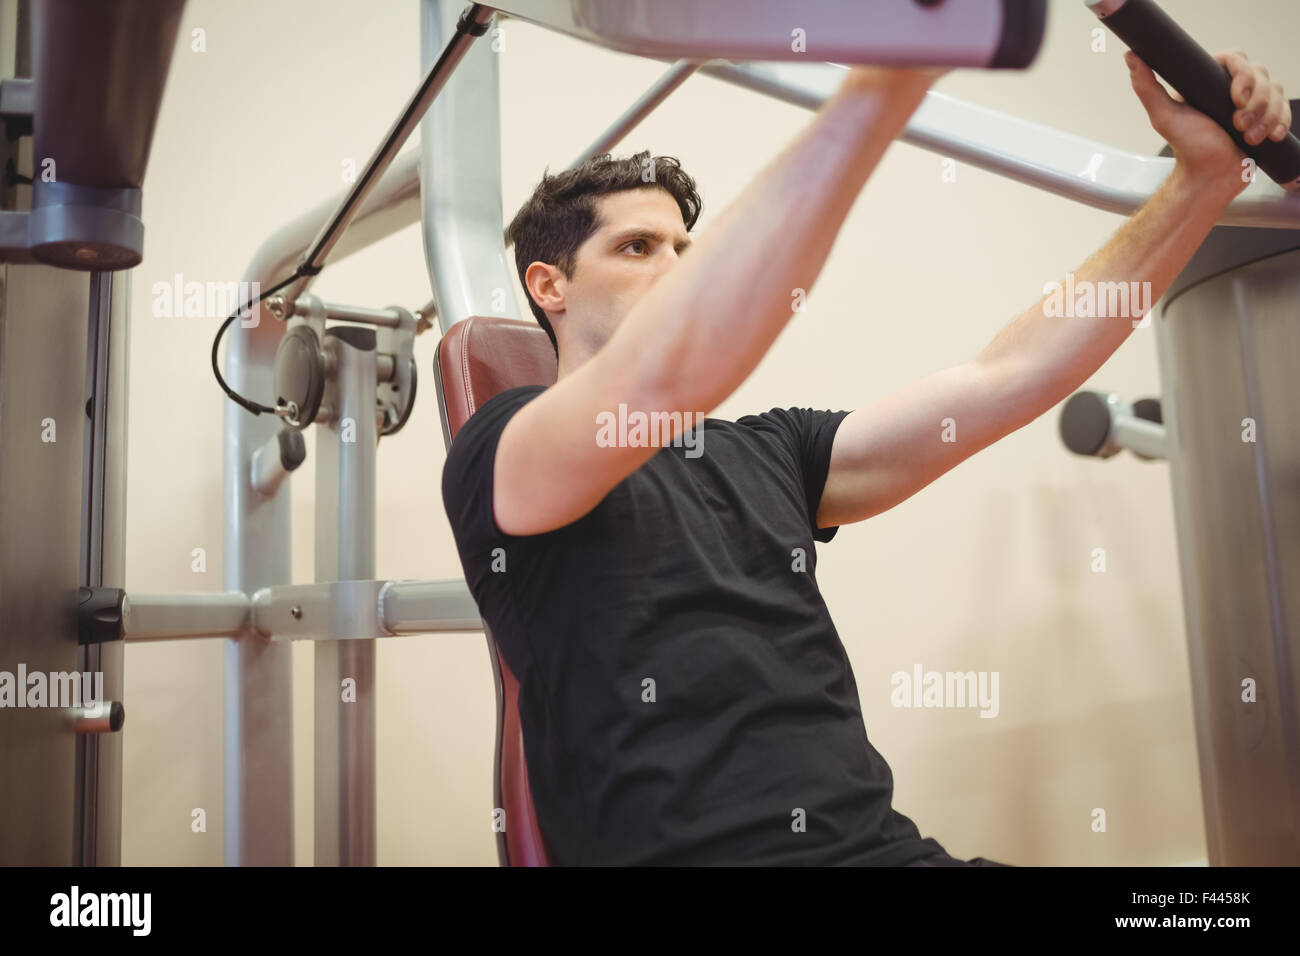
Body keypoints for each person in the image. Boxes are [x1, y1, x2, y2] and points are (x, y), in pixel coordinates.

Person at [441, 53, 1290, 866]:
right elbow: (671, 370)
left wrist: (1203, 181)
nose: (673, 268)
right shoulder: (504, 449)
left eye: (684, 250)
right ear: (549, 286)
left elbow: (1013, 375)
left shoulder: (772, 452)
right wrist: (891, 79)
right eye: (637, 249)